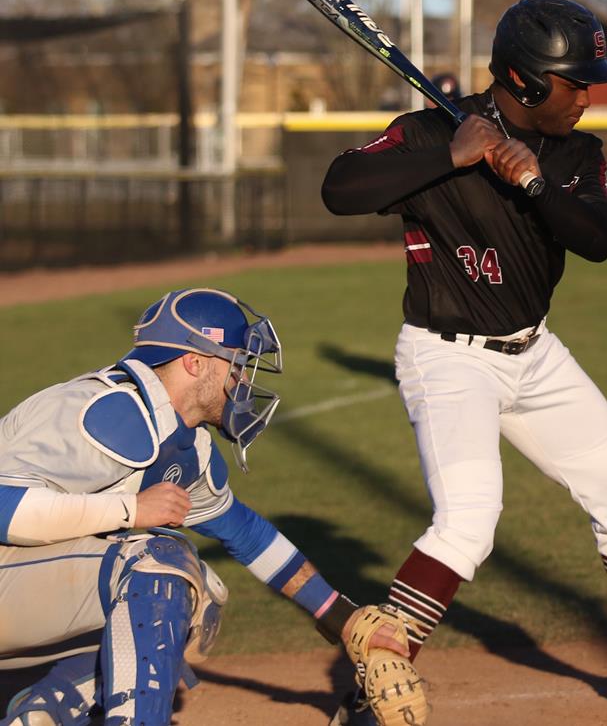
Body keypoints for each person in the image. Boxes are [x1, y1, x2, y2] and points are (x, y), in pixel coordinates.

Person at [320, 0, 607, 718]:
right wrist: (447, 158)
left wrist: (533, 181)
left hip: (536, 352)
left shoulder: (576, 152)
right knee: (468, 523)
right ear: (524, 82)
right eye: (575, 82)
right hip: (448, 358)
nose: (586, 96)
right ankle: (374, 691)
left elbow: (597, 237)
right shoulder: (430, 129)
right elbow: (339, 189)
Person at [0, 288, 426, 726]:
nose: (245, 382)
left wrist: (342, 617)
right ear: (195, 362)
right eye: (238, 365)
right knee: (157, 565)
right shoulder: (108, 412)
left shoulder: (185, 444)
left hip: (18, 587)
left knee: (197, 592)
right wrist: (130, 510)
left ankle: (42, 712)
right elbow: (3, 508)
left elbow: (244, 533)